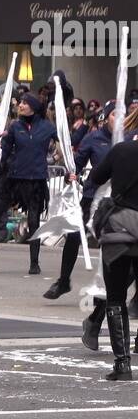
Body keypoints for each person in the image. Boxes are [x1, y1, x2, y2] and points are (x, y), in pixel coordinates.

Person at [45, 103, 118, 304]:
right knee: (74, 236)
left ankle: (110, 289)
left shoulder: (129, 138)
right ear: (105, 117)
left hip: (121, 199)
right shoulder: (94, 138)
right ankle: (63, 281)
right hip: (93, 197)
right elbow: (76, 165)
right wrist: (71, 175)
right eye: (114, 114)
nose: (119, 118)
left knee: (119, 243)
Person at [0, 92, 58, 275]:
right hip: (14, 180)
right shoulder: (15, 127)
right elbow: (5, 152)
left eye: (24, 103)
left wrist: (61, 157)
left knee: (33, 221)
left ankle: (34, 262)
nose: (20, 105)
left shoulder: (47, 127)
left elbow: (65, 143)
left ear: (34, 107)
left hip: (35, 181)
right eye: (20, 102)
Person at [88, 135, 138, 380]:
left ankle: (122, 364)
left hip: (119, 230)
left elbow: (96, 177)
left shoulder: (121, 150)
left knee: (116, 297)